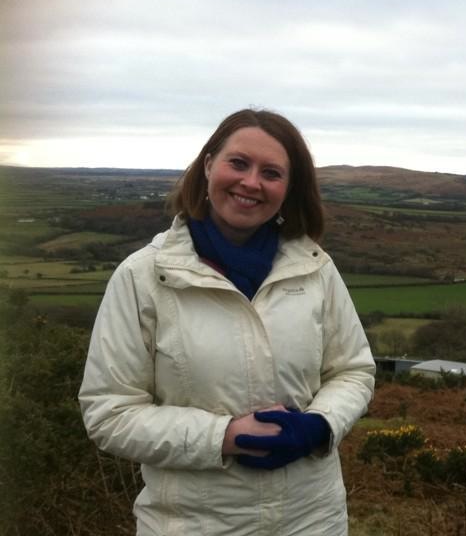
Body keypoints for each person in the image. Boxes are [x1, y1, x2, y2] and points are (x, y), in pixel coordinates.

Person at [79, 109, 375, 535]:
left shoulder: (315, 269)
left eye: (271, 172)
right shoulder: (143, 277)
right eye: (238, 163)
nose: (251, 182)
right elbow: (109, 413)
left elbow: (353, 370)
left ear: (288, 190)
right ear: (208, 165)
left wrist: (318, 425)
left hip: (312, 521)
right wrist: (225, 435)